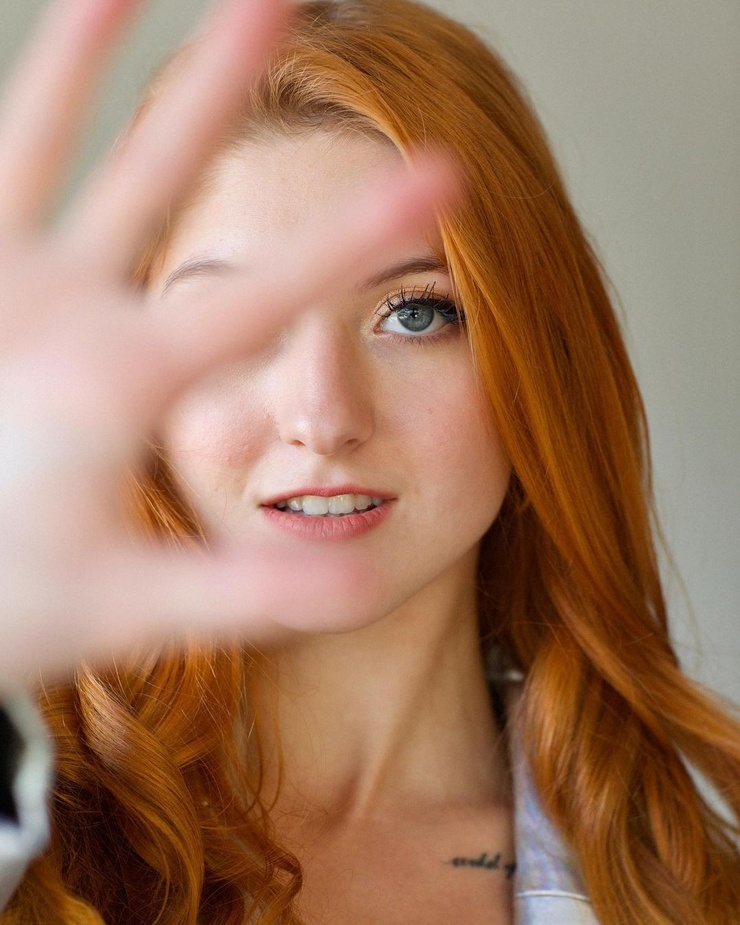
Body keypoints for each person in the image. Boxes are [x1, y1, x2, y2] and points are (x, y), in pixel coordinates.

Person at [0, 0, 738, 923]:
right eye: (238, 326)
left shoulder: (697, 891)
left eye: (417, 313)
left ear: (538, 356)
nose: (323, 417)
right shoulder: (26, 829)